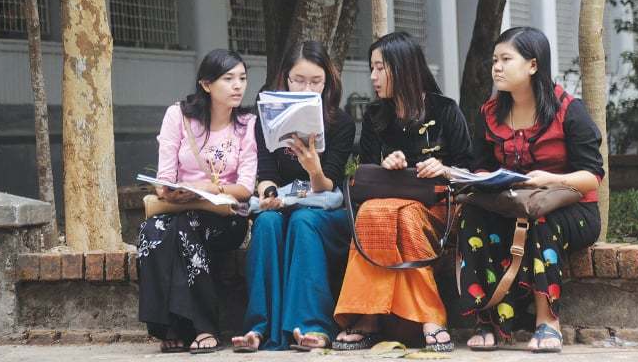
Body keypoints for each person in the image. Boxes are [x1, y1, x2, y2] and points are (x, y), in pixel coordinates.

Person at [459, 27, 603, 353]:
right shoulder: (489, 114)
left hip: (571, 208)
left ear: (533, 65)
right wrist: (484, 180)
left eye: (506, 59)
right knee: (473, 214)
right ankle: (487, 321)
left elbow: (592, 177)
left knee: (540, 220)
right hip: (512, 203)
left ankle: (547, 321)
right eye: (495, 60)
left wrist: (548, 180)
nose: (497, 67)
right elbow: (479, 165)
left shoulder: (569, 111)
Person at [332, 32, 472, 353]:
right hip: (383, 206)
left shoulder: (445, 110)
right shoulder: (375, 117)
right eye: (372, 68)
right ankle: (369, 315)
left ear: (403, 67)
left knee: (404, 214)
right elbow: (365, 173)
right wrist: (384, 163)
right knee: (373, 212)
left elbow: (470, 170)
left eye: (379, 68)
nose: (372, 77)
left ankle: (427, 316)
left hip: (438, 207)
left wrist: (444, 169)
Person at [231, 41, 356, 352]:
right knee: (267, 222)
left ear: (328, 82)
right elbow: (266, 171)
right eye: (298, 80)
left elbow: (330, 186)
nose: (306, 88)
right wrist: (269, 194)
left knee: (303, 220)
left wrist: (313, 169)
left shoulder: (340, 123)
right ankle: (259, 328)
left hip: (322, 209)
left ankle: (312, 325)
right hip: (283, 202)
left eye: (316, 82)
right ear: (285, 78)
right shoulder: (266, 118)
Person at [137, 49, 257, 354]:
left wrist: (212, 188)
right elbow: (164, 177)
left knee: (183, 226)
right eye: (228, 79)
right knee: (152, 231)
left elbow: (245, 187)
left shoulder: (247, 124)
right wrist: (181, 190)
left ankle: (204, 326)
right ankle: (170, 326)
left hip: (225, 215)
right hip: (181, 207)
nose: (237, 86)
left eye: (242, 78)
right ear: (206, 84)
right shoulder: (177, 116)